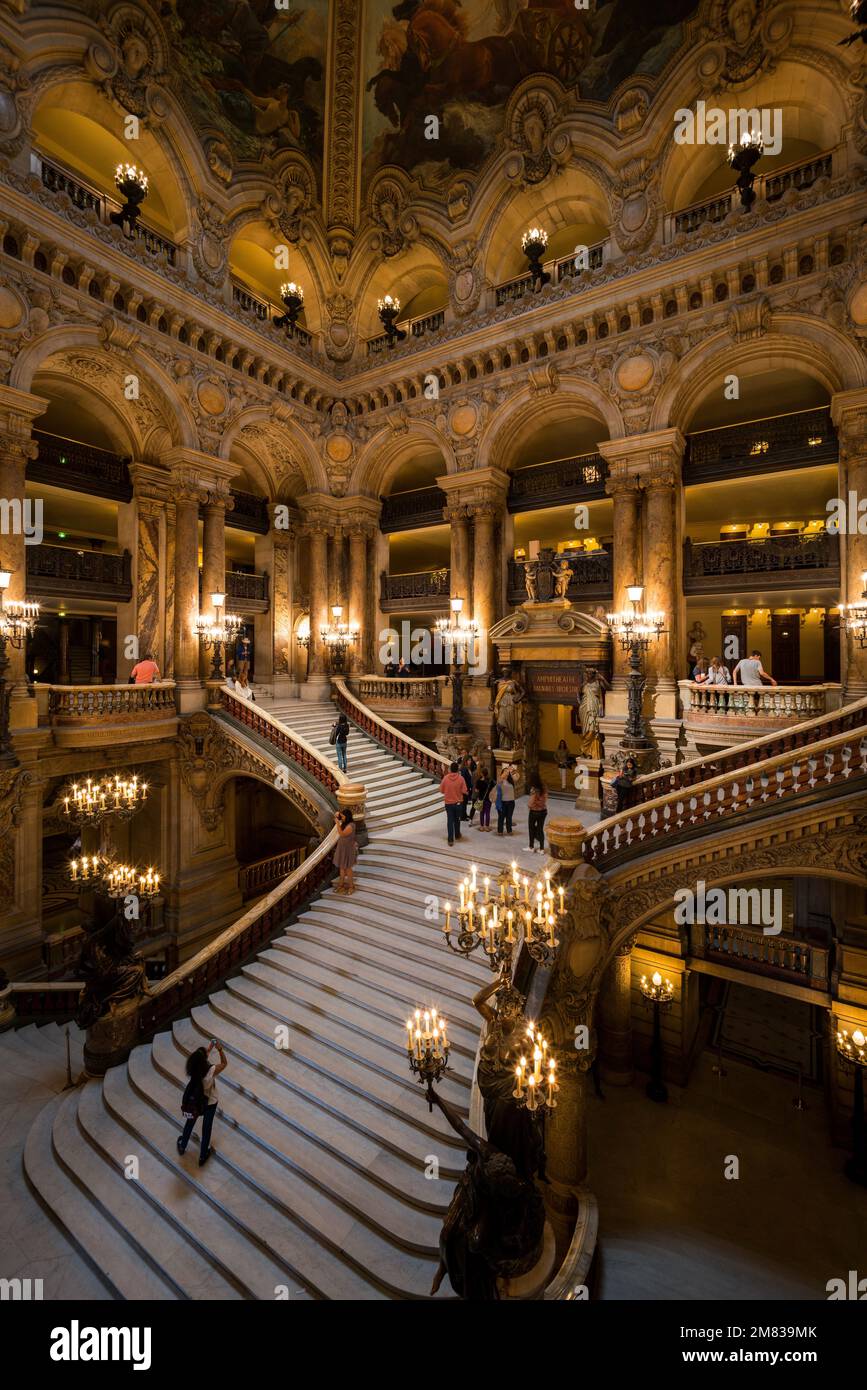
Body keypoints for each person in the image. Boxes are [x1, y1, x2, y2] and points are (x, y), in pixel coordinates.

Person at [177, 1039, 227, 1168]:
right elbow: (224, 1063)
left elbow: (200, 1061)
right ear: (204, 1061)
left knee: (190, 1122)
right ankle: (203, 1155)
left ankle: (182, 1146)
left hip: (196, 1102)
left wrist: (208, 1050)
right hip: (210, 1102)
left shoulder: (194, 1070)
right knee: (206, 1127)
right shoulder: (211, 1071)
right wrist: (220, 1049)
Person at [439, 761, 466, 846]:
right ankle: (457, 835)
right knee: (457, 819)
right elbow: (464, 791)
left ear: (450, 769)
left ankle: (450, 839)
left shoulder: (446, 778)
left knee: (450, 820)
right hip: (458, 803)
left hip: (448, 803)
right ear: (457, 770)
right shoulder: (461, 778)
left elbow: (441, 790)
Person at [332, 808, 357, 893]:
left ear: (347, 816)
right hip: (342, 848)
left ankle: (351, 886)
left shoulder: (351, 825)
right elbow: (336, 814)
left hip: (348, 849)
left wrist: (337, 824)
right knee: (342, 868)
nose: (342, 818)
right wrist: (338, 814)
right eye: (341, 816)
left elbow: (342, 834)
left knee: (348, 869)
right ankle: (341, 885)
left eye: (343, 816)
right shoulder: (345, 823)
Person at [527, 780, 548, 853]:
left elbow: (531, 802)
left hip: (534, 812)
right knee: (540, 829)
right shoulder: (544, 789)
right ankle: (541, 849)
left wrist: (529, 805)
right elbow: (544, 800)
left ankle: (531, 847)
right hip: (543, 811)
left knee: (531, 828)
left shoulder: (534, 790)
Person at [495, 767, 516, 836]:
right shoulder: (500, 781)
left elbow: (518, 776)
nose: (507, 772)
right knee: (501, 817)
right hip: (503, 802)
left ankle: (509, 830)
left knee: (509, 817)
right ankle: (500, 831)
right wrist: (503, 775)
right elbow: (498, 783)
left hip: (511, 802)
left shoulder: (511, 780)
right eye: (505, 771)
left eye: (507, 771)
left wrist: (513, 770)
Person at [459, 754, 475, 822]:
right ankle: (462, 817)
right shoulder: (464, 769)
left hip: (468, 788)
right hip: (464, 788)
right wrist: (465, 789)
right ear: (465, 761)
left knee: (465, 803)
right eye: (468, 760)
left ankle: (464, 815)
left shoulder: (468, 768)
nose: (470, 761)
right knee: (463, 803)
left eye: (470, 760)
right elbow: (463, 780)